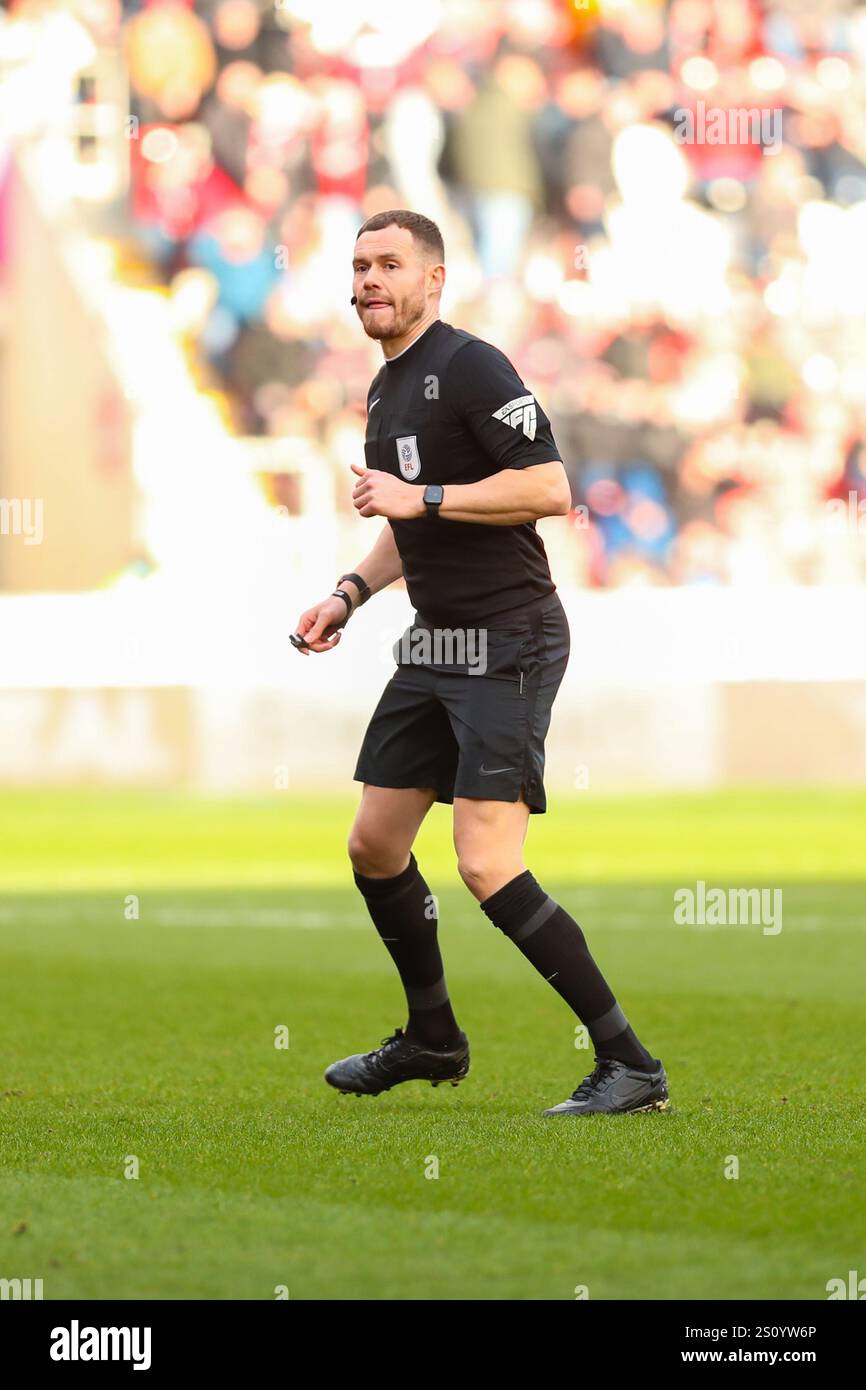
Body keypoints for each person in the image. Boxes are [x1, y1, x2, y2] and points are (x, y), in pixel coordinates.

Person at [293, 209, 669, 1115]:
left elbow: (547, 486)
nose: (370, 279)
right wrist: (348, 591)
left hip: (509, 634)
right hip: (436, 638)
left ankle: (629, 1064)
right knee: (375, 844)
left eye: (390, 263)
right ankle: (432, 1038)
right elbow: (409, 526)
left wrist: (417, 496)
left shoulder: (471, 365)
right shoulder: (385, 390)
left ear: (434, 279)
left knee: (485, 862)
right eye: (359, 266)